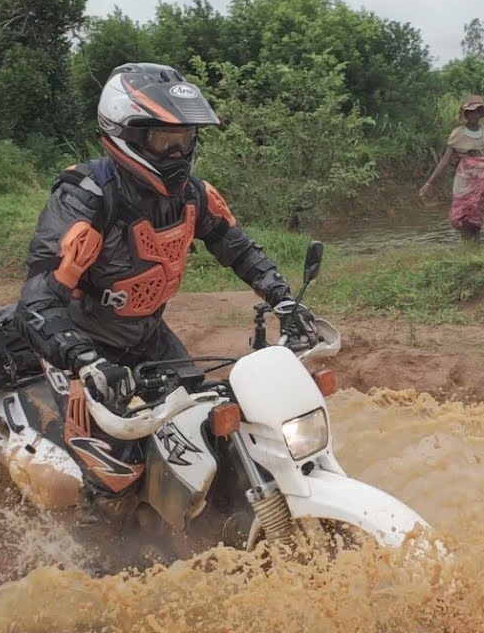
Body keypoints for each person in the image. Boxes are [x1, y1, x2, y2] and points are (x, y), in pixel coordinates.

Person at [16, 62, 293, 510]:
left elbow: (238, 248)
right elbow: (39, 298)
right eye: (166, 140)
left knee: (205, 425)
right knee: (116, 470)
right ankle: (88, 543)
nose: (178, 152)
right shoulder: (86, 198)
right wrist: (85, 361)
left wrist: (283, 297)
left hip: (148, 337)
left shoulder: (192, 195)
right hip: (81, 348)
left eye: (185, 138)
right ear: (126, 133)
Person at [419, 95, 484, 242]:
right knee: (464, 212)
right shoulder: (457, 133)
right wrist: (429, 183)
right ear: (465, 114)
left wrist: (481, 166)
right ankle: (465, 244)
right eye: (470, 112)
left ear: (480, 113)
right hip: (464, 179)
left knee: (478, 210)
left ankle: (476, 244)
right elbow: (445, 159)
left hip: (480, 179)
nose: (473, 115)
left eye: (476, 111)